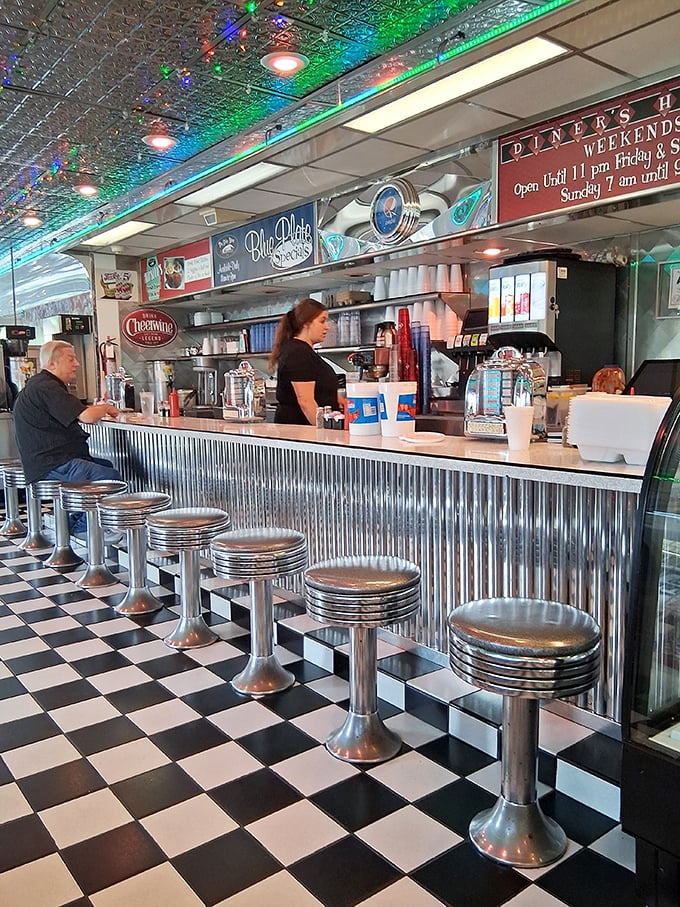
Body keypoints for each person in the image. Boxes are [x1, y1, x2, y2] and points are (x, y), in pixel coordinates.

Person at [12, 340, 123, 536]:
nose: (77, 364)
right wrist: (106, 407)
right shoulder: (47, 386)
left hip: (45, 462)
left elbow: (78, 412)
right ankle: (83, 528)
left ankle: (72, 523)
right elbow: (86, 416)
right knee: (111, 479)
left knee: (106, 466)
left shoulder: (40, 385)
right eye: (71, 359)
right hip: (51, 464)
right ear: (52, 364)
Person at [269, 298, 340, 425]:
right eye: (322, 321)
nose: (327, 327)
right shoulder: (297, 353)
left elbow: (318, 388)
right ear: (306, 323)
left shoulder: (302, 351)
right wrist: (325, 434)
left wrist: (338, 399)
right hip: (300, 431)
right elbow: (306, 401)